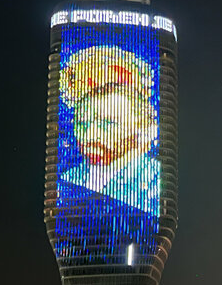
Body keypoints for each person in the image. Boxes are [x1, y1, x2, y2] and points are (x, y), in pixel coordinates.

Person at [58, 45, 160, 216]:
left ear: (144, 127)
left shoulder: (155, 182)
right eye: (82, 123)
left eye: (108, 123)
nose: (89, 135)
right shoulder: (70, 178)